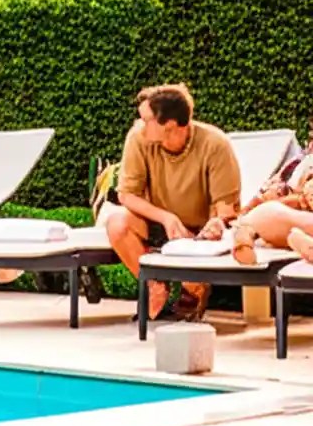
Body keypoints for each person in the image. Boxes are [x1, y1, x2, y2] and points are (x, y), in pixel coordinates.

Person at [105, 83, 241, 321]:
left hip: (199, 232)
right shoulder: (138, 138)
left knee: (198, 262)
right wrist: (167, 218)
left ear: (169, 125)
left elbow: (226, 209)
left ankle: (194, 289)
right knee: (117, 224)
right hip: (158, 224)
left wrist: (209, 231)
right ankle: (155, 285)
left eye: (146, 120)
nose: (139, 124)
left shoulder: (215, 144)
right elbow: (126, 195)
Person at [232, 117, 313, 263]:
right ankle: (244, 237)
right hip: (292, 217)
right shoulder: (299, 162)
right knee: (267, 214)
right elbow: (267, 193)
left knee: (265, 215)